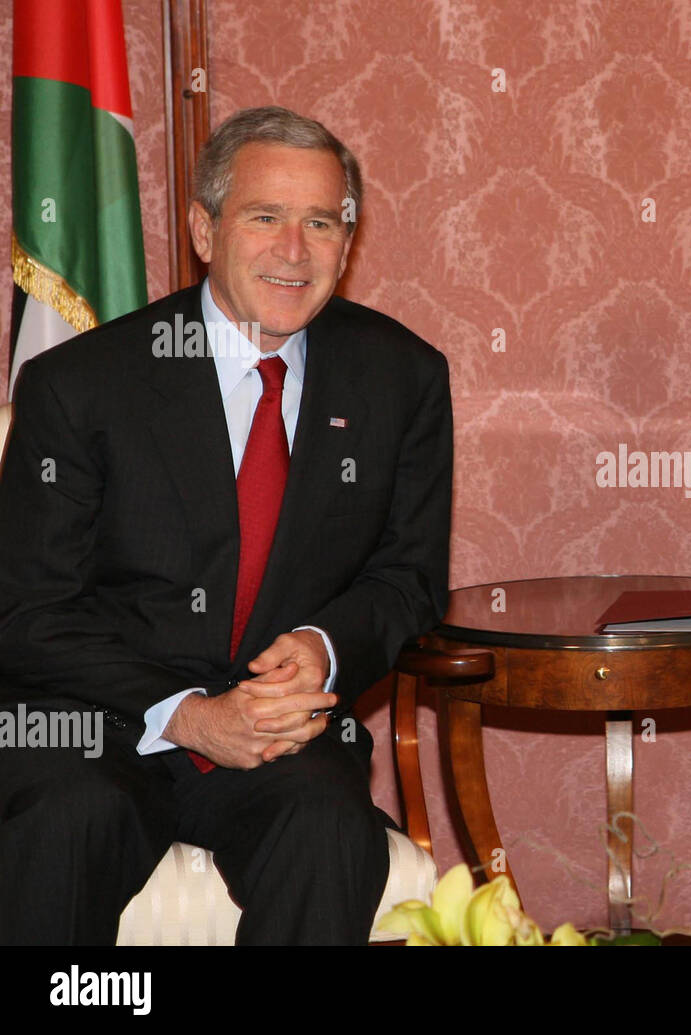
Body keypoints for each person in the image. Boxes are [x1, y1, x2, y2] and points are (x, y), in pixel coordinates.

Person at [0, 106, 453, 945]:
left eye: (321, 222)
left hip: (286, 730)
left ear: (347, 242)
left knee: (330, 829)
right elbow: (29, 612)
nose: (295, 249)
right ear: (204, 229)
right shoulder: (80, 385)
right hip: (100, 721)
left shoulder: (403, 379)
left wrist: (323, 644)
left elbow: (411, 577)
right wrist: (188, 713)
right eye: (265, 217)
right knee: (68, 819)